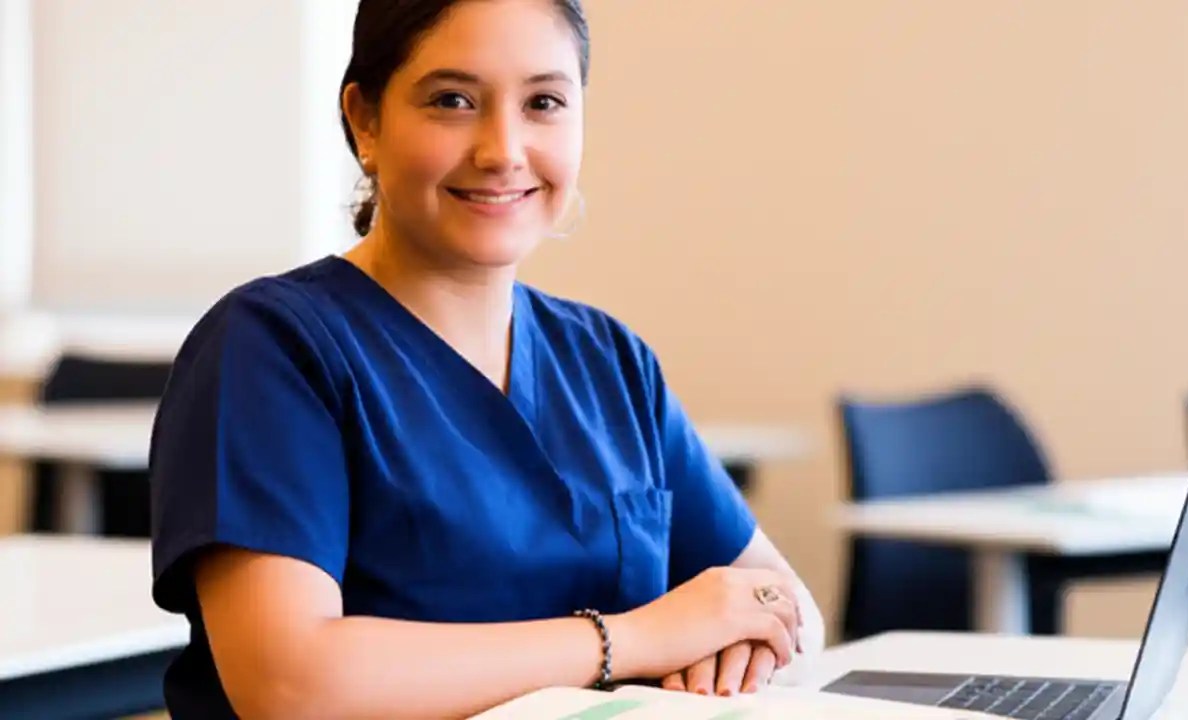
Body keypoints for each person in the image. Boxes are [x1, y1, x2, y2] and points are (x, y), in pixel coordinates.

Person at [149, 0, 824, 717]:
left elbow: (790, 611)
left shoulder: (611, 361)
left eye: (544, 102)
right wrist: (635, 640)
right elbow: (291, 685)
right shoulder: (273, 347)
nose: (503, 149)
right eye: (453, 100)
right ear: (365, 120)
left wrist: (740, 641)